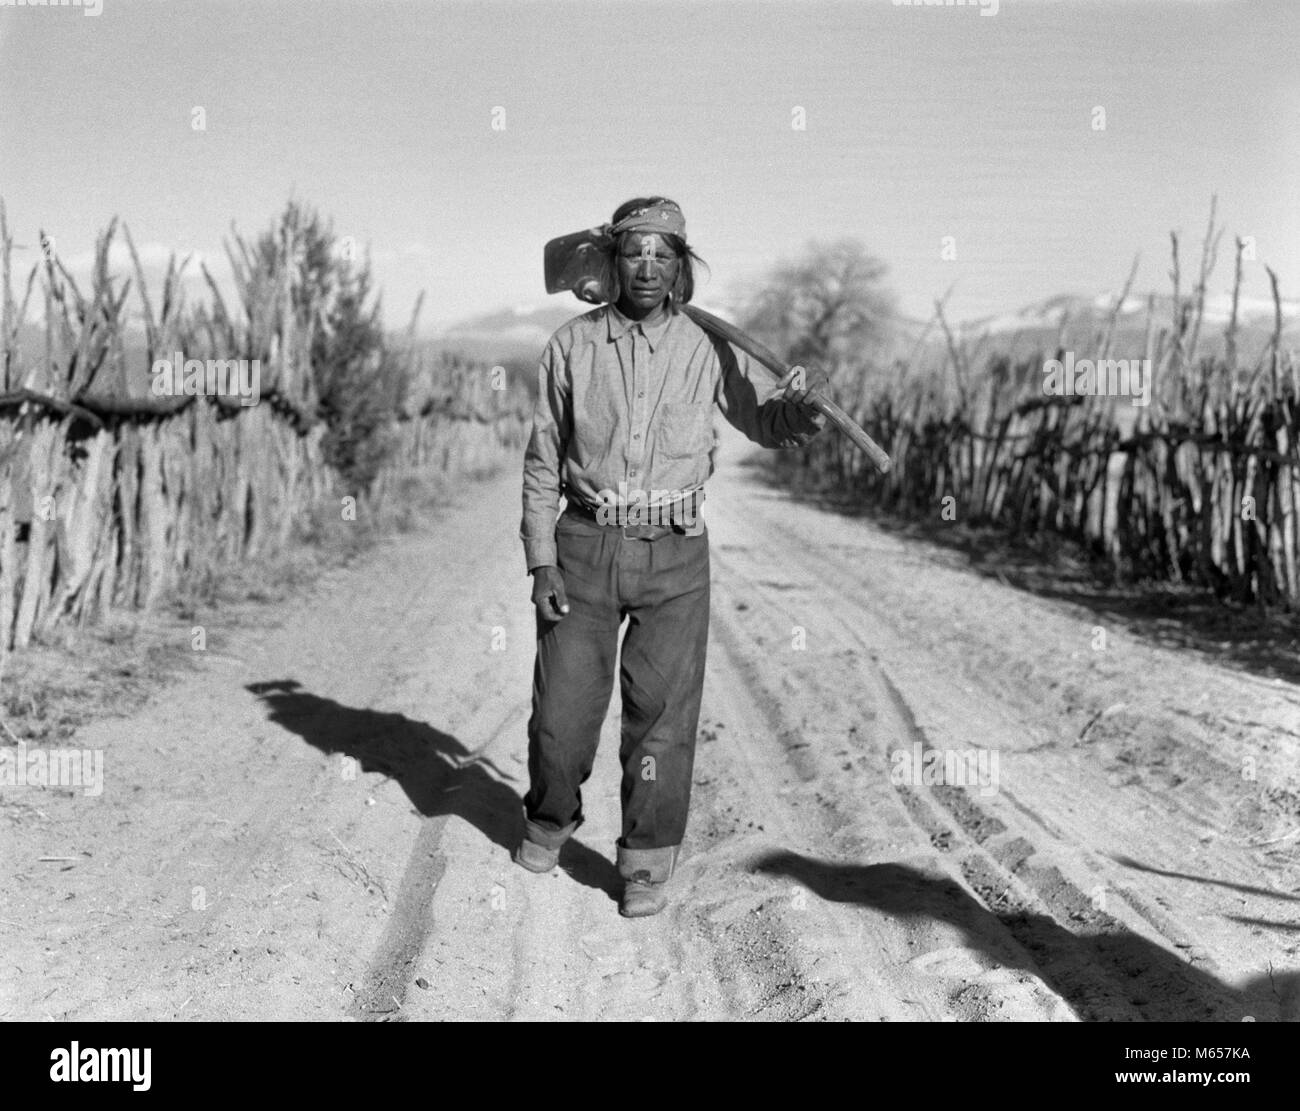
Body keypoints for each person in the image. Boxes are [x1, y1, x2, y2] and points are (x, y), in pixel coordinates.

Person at [517, 196, 828, 917]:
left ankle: (647, 862)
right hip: (585, 544)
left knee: (661, 719)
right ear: (611, 261)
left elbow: (766, 421)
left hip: (676, 555)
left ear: (681, 268)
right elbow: (542, 461)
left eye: (664, 255)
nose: (649, 268)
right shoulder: (571, 346)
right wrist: (541, 561)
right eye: (635, 253)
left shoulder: (707, 347)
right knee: (562, 717)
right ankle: (547, 817)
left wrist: (804, 404)